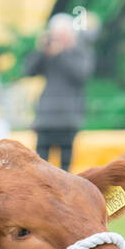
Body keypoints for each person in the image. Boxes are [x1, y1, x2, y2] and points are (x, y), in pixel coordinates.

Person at [21, 13, 93, 172]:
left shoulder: (79, 52)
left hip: (68, 120)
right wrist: (40, 50)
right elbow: (28, 70)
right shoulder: (47, 54)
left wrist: (61, 53)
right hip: (46, 119)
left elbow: (81, 74)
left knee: (65, 169)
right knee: (40, 167)